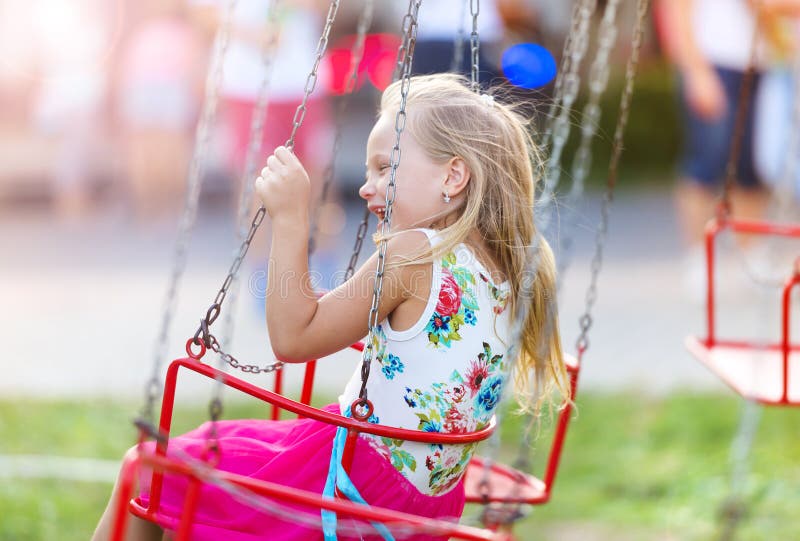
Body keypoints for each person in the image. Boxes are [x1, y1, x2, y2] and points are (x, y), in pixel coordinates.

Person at [91, 74, 568, 541]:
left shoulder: (412, 254)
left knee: (148, 471)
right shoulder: (509, 267)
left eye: (385, 168)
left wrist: (290, 218)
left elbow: (293, 338)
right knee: (205, 470)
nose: (366, 187)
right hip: (422, 505)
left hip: (354, 487)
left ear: (454, 175)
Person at [657, 0, 800, 296]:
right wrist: (696, 71)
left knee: (751, 169)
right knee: (706, 163)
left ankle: (752, 254)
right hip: (714, 61)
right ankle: (698, 259)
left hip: (763, 64)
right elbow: (676, 10)